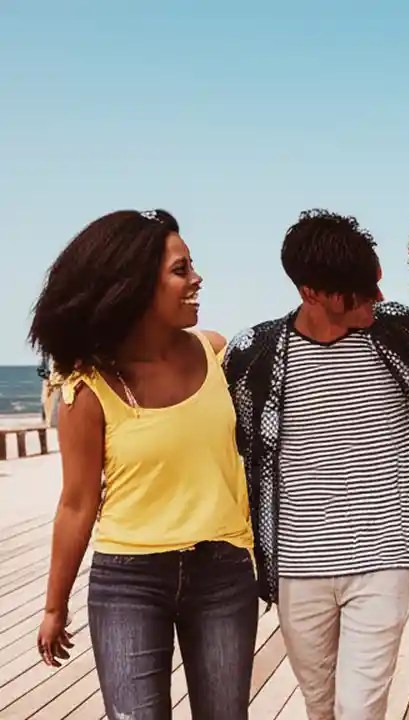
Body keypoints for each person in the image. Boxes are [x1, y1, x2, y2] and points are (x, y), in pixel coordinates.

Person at [30, 209, 257, 719]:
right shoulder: (86, 388)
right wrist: (53, 606)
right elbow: (76, 503)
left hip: (223, 573)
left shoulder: (215, 352)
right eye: (181, 270)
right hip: (128, 582)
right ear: (135, 285)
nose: (197, 279)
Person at [222, 209, 409, 720]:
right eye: (357, 293)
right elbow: (231, 443)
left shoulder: (402, 334)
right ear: (310, 292)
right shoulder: (255, 355)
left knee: (359, 709)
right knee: (321, 707)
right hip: (298, 567)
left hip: (384, 555)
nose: (375, 300)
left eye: (375, 284)